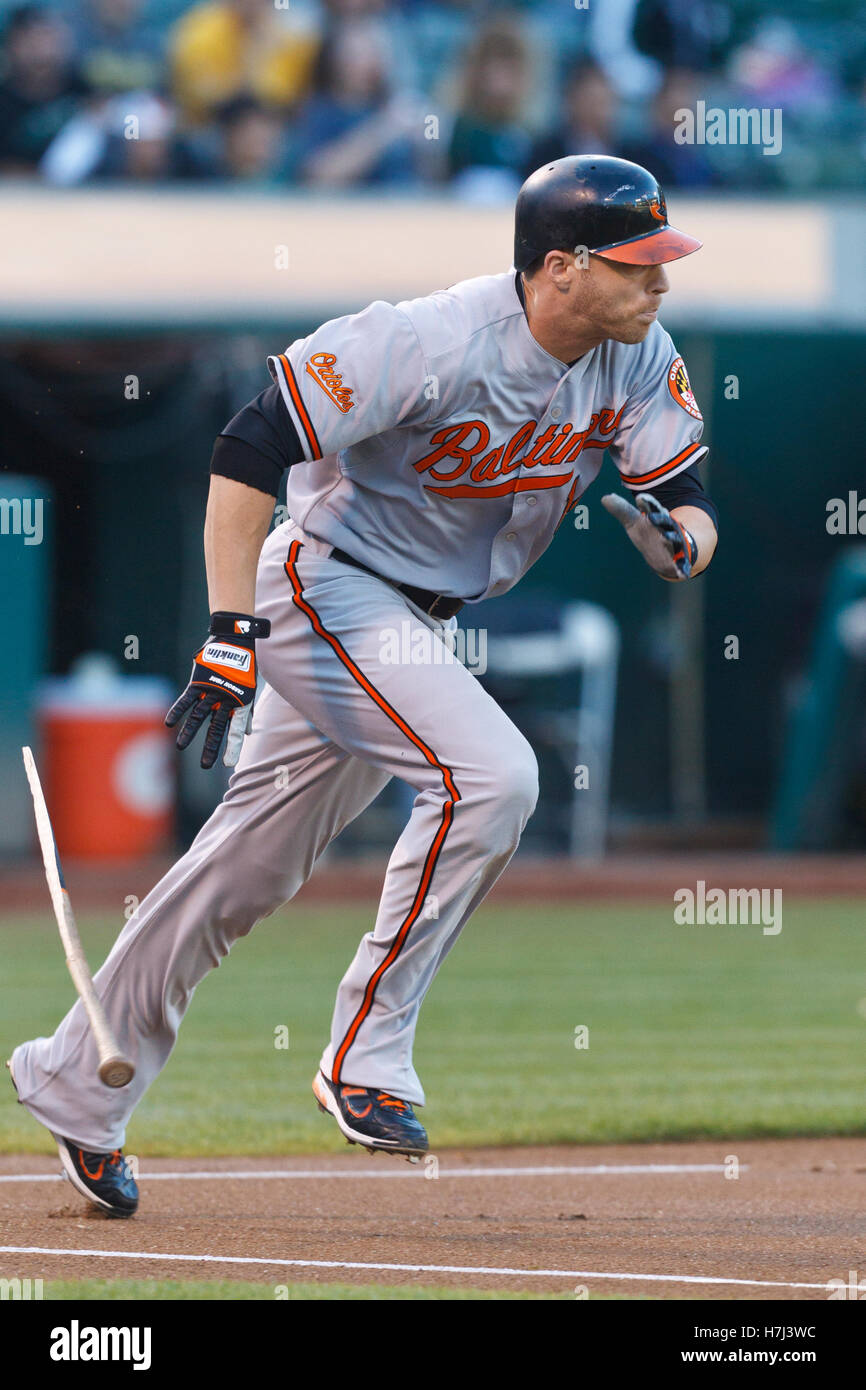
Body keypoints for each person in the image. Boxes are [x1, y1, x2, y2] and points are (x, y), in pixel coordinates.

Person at [8, 156, 718, 1216]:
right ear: (558, 269)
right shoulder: (429, 339)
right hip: (324, 587)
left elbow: (686, 499)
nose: (658, 283)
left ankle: (73, 1081)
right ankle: (365, 1055)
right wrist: (228, 631)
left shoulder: (631, 354)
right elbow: (251, 442)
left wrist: (681, 543)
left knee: (239, 873)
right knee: (492, 778)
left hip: (413, 622)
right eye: (635, 265)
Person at [0, 5, 88, 172]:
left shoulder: (83, 87)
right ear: (12, 44)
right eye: (32, 39)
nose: (43, 49)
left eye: (50, 37)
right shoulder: (4, 99)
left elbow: (131, 122)